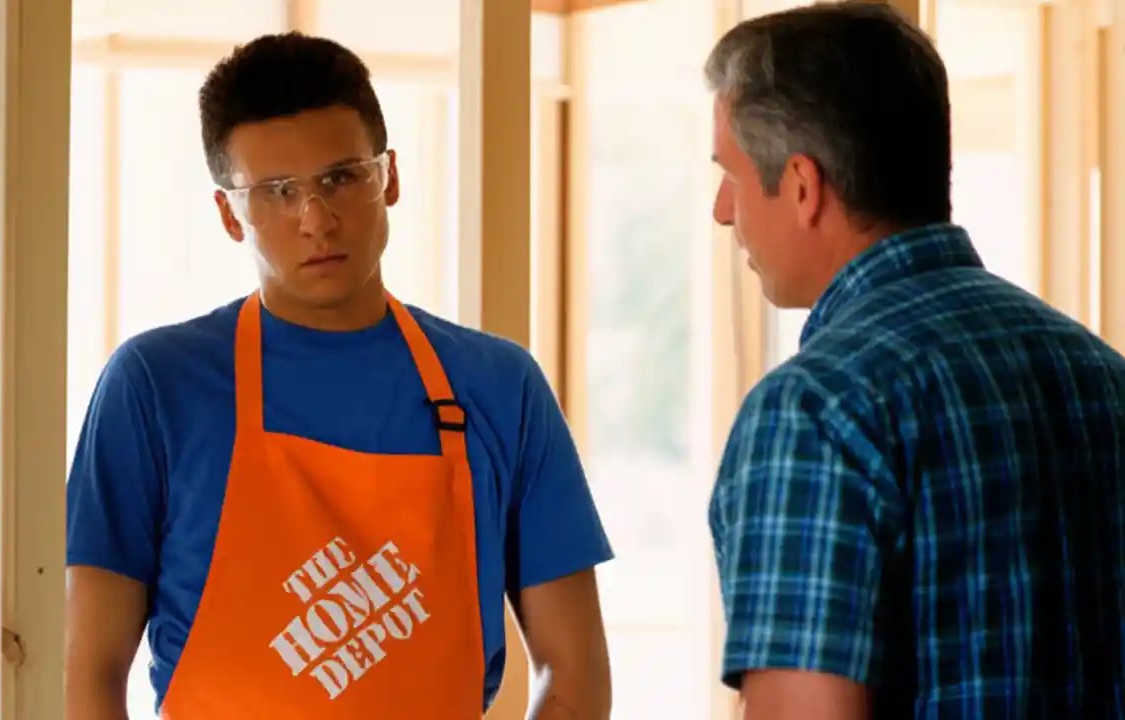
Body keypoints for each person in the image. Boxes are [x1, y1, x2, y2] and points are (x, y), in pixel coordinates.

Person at [64, 31, 613, 719]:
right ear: (230, 215)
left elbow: (576, 671)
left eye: (340, 177)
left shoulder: (501, 387)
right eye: (276, 191)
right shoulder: (154, 387)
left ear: (389, 177)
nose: (315, 219)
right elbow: (87, 668)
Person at [705, 3, 1125, 719]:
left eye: (732, 175)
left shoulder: (816, 408)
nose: (721, 210)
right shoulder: (1104, 378)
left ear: (803, 187)